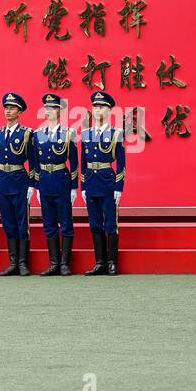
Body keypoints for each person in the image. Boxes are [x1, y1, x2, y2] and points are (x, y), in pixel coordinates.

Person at [80, 90, 126, 276]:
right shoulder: (85, 134)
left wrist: (118, 188)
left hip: (107, 180)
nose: (97, 110)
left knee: (110, 223)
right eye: (95, 106)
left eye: (101, 107)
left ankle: (112, 262)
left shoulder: (116, 134)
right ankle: (99, 262)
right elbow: (83, 163)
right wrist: (83, 186)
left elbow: (121, 164)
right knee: (94, 223)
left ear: (109, 111)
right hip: (91, 180)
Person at [0, 92, 38, 276]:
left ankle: (22, 262)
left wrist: (31, 185)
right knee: (8, 222)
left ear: (19, 112)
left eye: (12, 108)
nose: (8, 111)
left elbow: (34, 162)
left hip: (20, 179)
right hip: (4, 180)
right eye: (6, 108)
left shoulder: (26, 134)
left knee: (22, 223)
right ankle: (12, 262)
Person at [35, 93, 79, 276]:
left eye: (52, 108)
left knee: (66, 223)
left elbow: (75, 163)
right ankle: (54, 262)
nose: (48, 111)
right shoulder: (38, 134)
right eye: (46, 108)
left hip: (62, 180)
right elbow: (36, 162)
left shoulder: (68, 134)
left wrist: (74, 187)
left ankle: (64, 264)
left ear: (59, 111)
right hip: (45, 180)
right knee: (49, 223)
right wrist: (37, 185)